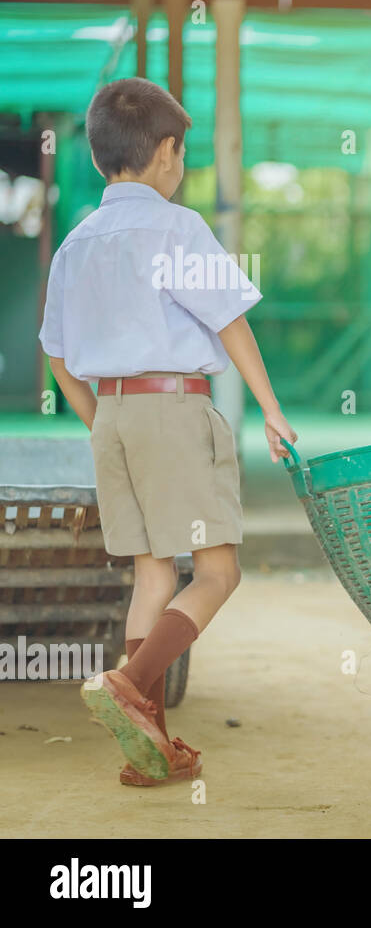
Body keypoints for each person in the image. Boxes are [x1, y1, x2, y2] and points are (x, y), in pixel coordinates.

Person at [39, 77, 297, 785]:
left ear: (99, 159)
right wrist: (272, 409)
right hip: (173, 407)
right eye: (181, 152)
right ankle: (131, 684)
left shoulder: (76, 244)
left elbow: (56, 357)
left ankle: (147, 751)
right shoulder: (175, 226)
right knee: (218, 571)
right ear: (165, 153)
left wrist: (103, 423)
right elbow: (228, 321)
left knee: (153, 571)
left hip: (113, 415)